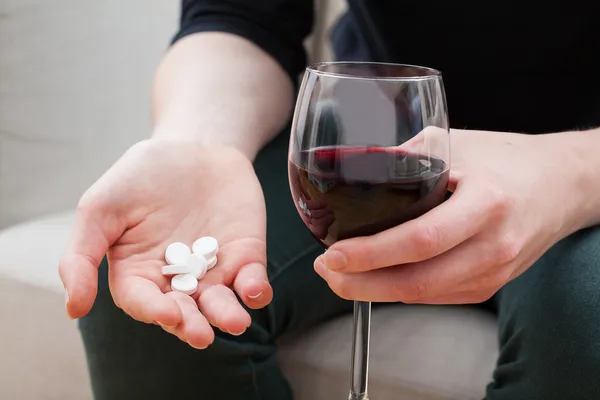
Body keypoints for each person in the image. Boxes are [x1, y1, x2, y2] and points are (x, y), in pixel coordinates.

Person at [58, 1, 600, 399]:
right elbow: (240, 21)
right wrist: (196, 140)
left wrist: (572, 170)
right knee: (158, 286)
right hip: (374, 135)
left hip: (587, 170)